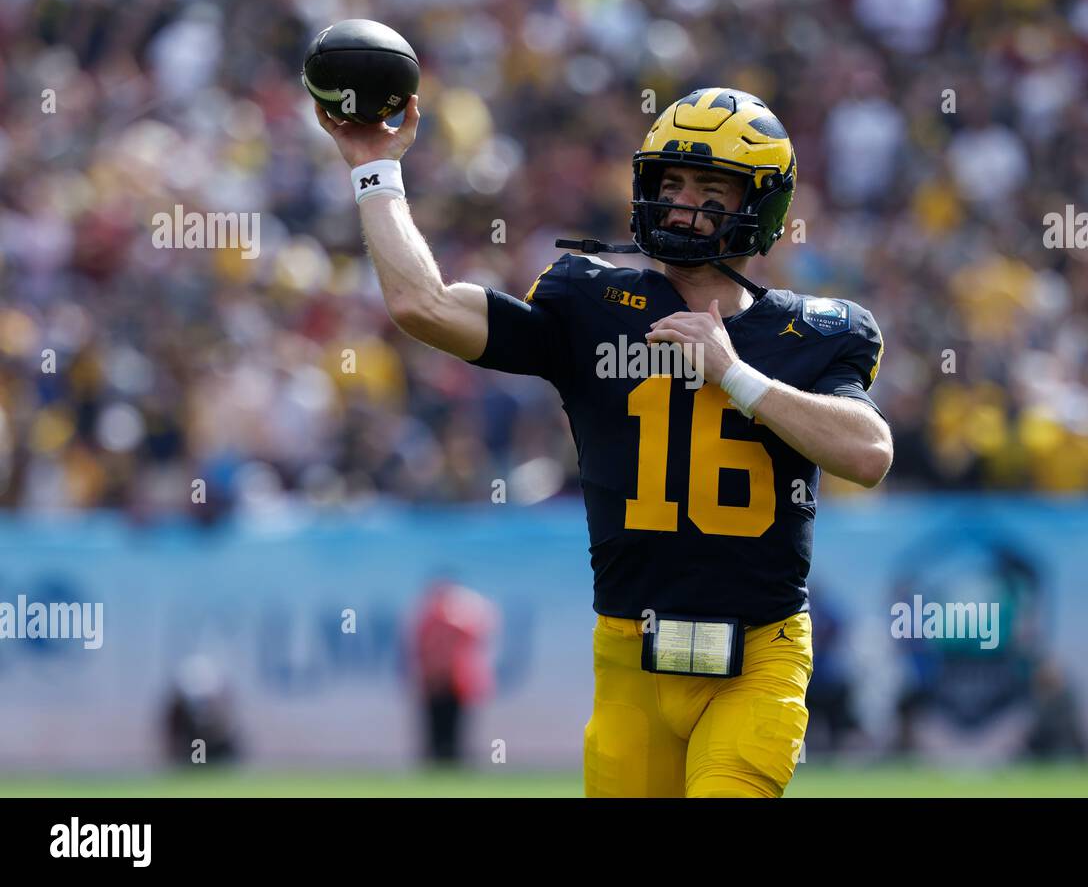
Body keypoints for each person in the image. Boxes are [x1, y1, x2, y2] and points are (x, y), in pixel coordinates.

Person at [315, 87, 892, 797]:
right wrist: (375, 168)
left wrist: (735, 376)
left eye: (711, 189)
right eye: (670, 182)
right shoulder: (591, 303)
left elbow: (868, 453)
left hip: (758, 661)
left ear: (760, 205)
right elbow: (422, 304)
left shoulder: (813, 333)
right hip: (629, 661)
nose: (682, 204)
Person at [411, 579, 499, 764]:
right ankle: (434, 766)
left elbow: (481, 631)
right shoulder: (428, 620)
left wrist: (458, 615)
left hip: (456, 684)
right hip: (434, 683)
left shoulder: (462, 618)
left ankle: (455, 764)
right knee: (434, 729)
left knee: (456, 729)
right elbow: (419, 649)